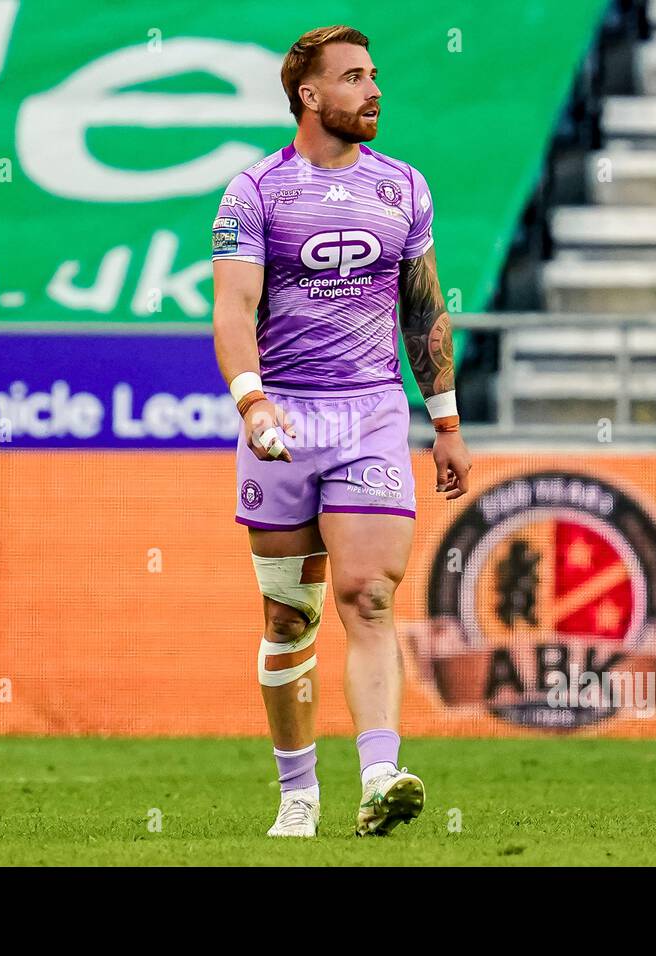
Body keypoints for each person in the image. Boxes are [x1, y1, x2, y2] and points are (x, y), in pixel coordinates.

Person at [210, 25, 471, 837]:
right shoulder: (254, 191)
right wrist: (253, 404)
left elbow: (424, 309)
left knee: (368, 595)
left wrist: (446, 421)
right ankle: (297, 792)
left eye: (375, 74)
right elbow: (234, 309)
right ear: (309, 96)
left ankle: (379, 776)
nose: (374, 89)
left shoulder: (404, 187)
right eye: (354, 77)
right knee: (290, 618)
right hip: (284, 417)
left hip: (370, 414)